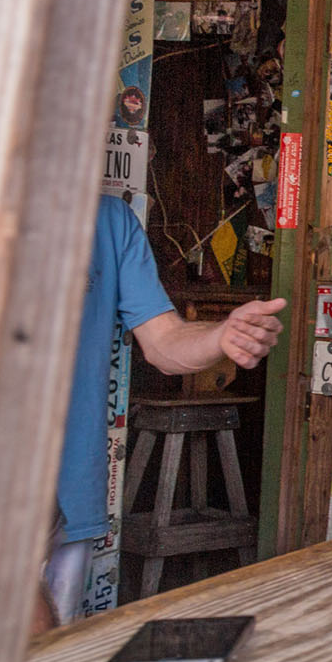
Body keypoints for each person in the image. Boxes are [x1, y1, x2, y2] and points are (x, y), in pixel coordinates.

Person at [38, 194, 286, 628]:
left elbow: (165, 342)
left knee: (51, 656)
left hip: (68, 486)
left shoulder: (109, 220)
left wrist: (222, 336)